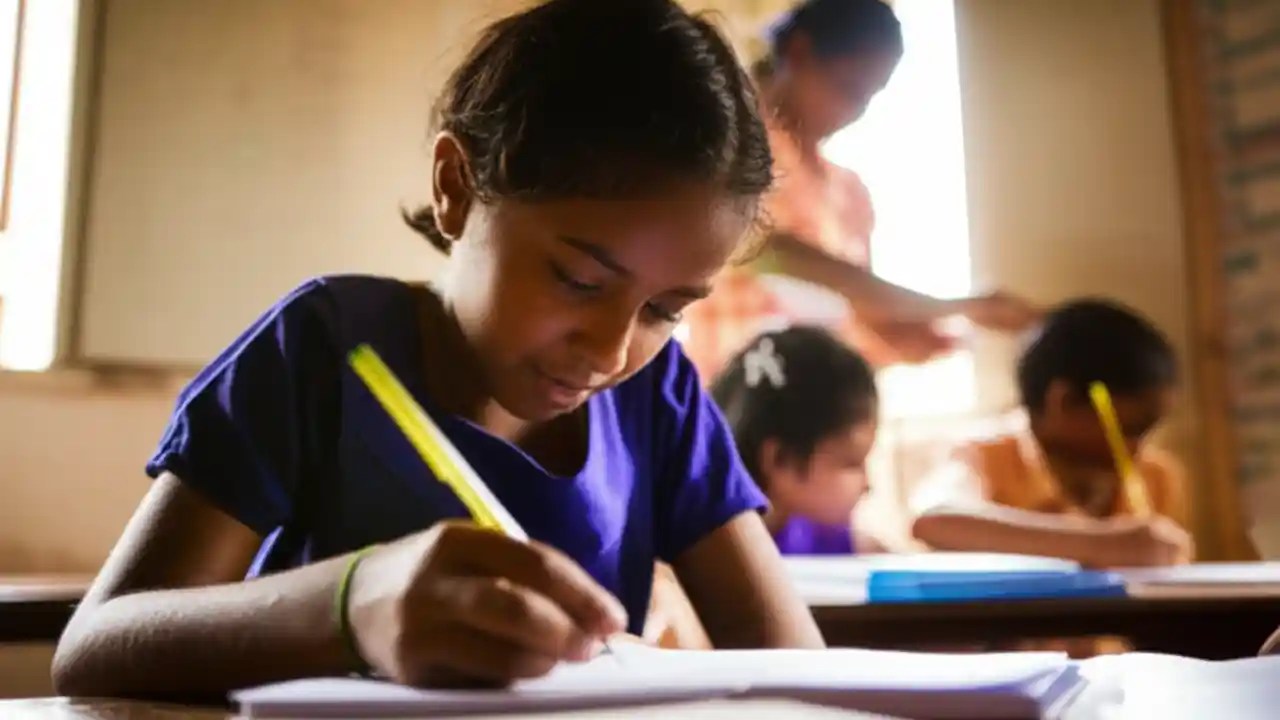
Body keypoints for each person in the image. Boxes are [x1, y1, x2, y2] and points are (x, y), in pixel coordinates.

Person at [52, 0, 824, 698]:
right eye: (579, 279)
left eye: (665, 309)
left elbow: (797, 668)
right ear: (456, 186)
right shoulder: (325, 350)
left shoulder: (658, 400)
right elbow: (95, 648)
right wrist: (354, 605)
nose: (612, 350)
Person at [683, 0, 1039, 379]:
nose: (855, 110)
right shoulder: (724, 149)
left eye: (869, 97)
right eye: (848, 87)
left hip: (812, 402)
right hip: (731, 397)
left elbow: (856, 311)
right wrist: (948, 306)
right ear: (800, 52)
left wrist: (909, 336)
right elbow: (764, 249)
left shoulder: (849, 195)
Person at [910, 299, 1195, 568]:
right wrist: (1104, 544)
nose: (1137, 448)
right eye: (1129, 430)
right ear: (1064, 401)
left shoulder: (1156, 476)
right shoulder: (984, 457)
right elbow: (934, 520)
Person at [711, 326, 881, 555]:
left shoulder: (821, 536)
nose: (868, 485)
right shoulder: (709, 553)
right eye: (851, 462)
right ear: (780, 459)